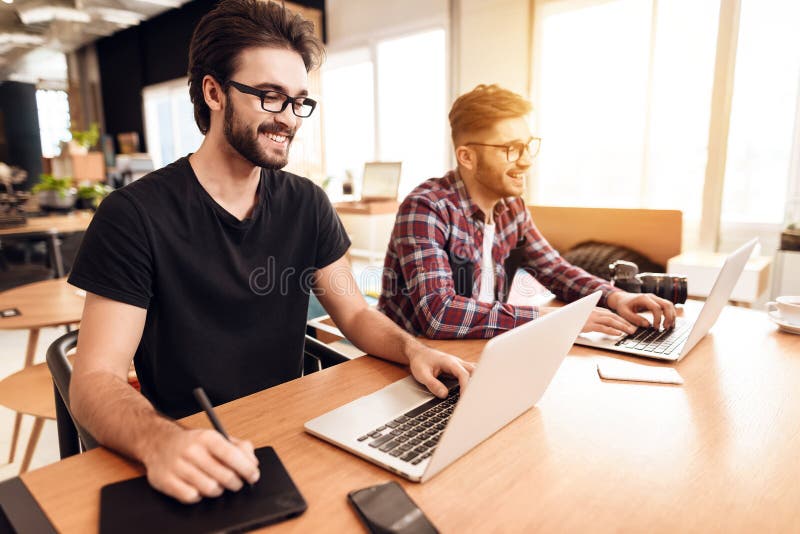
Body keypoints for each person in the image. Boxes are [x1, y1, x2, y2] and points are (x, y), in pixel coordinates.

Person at [67, 0, 473, 505]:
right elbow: (94, 380)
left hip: (293, 429)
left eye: (299, 101)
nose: (289, 120)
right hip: (195, 446)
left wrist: (414, 349)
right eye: (270, 97)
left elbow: (352, 312)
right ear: (214, 92)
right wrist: (160, 440)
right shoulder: (133, 215)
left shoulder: (308, 204)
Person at [378, 84, 676, 339]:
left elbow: (555, 270)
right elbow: (439, 314)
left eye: (528, 146)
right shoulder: (427, 208)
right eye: (511, 149)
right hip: (408, 361)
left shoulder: (512, 208)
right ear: (467, 157)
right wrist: (551, 320)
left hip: (476, 350)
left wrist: (616, 296)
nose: (526, 162)